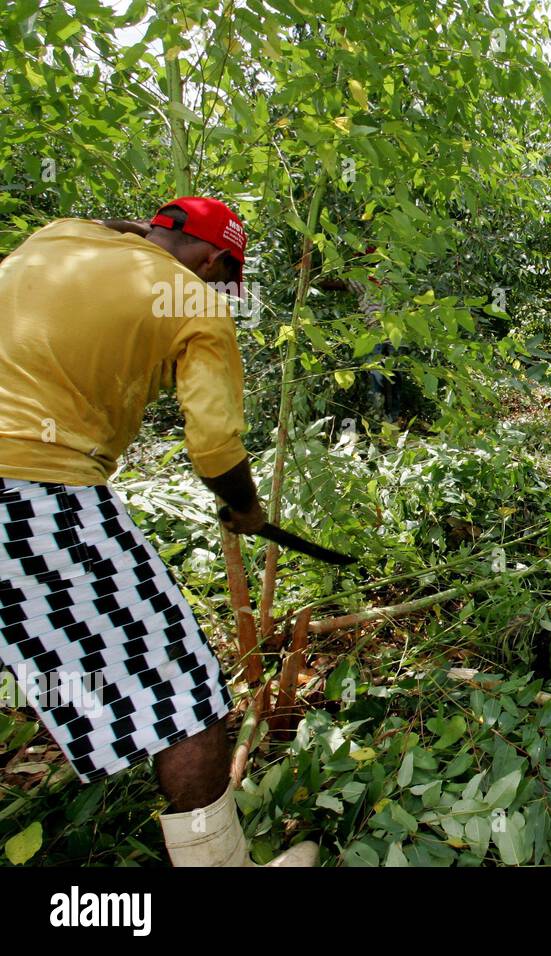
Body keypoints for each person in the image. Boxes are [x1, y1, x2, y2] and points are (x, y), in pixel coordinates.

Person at [0, 197, 316, 866]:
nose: (219, 290)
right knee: (185, 690)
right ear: (209, 261)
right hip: (33, 488)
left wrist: (146, 230)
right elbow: (214, 447)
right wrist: (247, 510)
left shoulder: (58, 240)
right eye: (223, 275)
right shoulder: (191, 301)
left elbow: (112, 228)